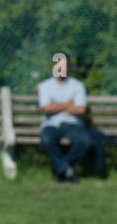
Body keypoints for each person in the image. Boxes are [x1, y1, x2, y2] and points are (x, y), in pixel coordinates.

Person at [37, 52, 90, 183]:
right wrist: (68, 105)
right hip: (51, 124)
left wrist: (56, 106)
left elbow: (81, 109)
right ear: (53, 66)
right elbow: (46, 108)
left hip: (73, 123)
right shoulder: (45, 86)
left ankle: (62, 170)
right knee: (46, 140)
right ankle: (67, 171)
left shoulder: (77, 86)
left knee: (84, 141)